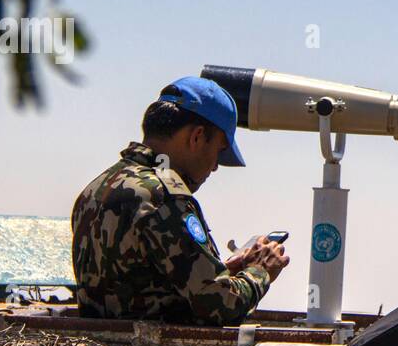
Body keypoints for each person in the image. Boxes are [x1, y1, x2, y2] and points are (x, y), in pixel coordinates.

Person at [71, 76, 289, 324]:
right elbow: (220, 305)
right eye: (218, 150)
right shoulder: (165, 197)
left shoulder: (96, 187)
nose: (215, 167)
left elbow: (143, 283)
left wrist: (224, 269)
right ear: (197, 137)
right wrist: (261, 271)